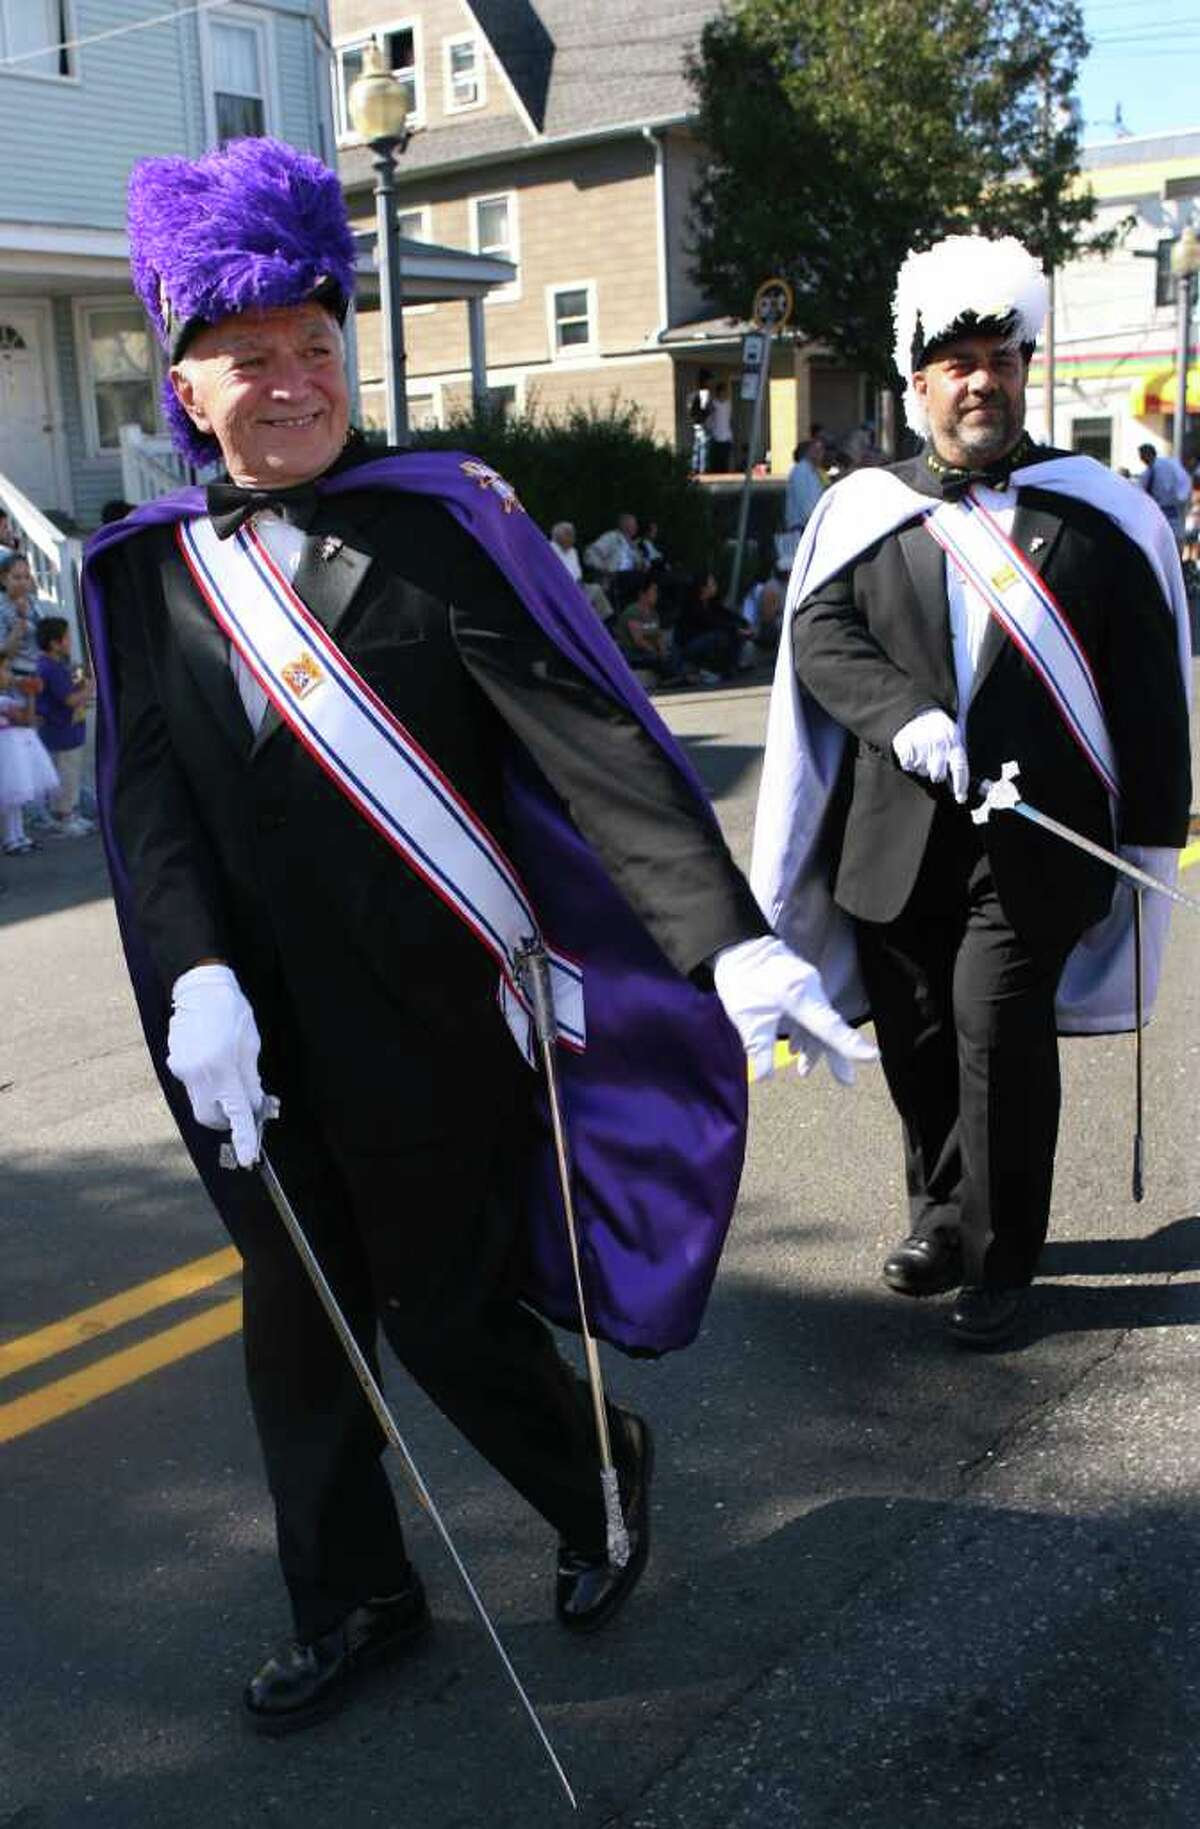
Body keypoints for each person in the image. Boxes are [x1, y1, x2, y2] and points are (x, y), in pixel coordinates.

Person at [84, 138, 872, 1738]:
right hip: (251, 1041)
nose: (294, 382)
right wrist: (195, 979)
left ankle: (598, 1473)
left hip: (434, 1018)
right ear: (187, 384)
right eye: (252, 357)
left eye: (316, 346)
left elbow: (592, 747)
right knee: (297, 1326)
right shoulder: (148, 574)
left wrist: (727, 943)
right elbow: (150, 811)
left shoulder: (441, 526)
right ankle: (356, 1597)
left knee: (443, 1316)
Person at [753, 234, 1192, 1350]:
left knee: (996, 1031)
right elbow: (820, 633)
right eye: (958, 365)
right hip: (895, 834)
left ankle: (1000, 1262)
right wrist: (902, 713)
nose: (981, 381)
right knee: (919, 1039)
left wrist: (1152, 837)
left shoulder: (1097, 515)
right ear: (920, 385)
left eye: (1000, 359)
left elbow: (1150, 689)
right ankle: (943, 1217)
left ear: (1024, 369)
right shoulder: (864, 509)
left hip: (1038, 842)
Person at [35, 616, 95, 837]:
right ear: (54, 643)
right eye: (67, 637)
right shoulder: (50, 668)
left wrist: (81, 681)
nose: (70, 641)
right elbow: (70, 700)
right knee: (66, 775)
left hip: (66, 730)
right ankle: (65, 817)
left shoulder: (54, 665)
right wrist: (90, 687)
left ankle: (70, 813)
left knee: (69, 774)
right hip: (61, 732)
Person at [0, 650, 57, 854]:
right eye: (5, 669)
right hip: (7, 751)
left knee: (17, 796)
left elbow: (29, 719)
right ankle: (10, 838)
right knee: (9, 796)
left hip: (16, 748)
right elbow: (23, 719)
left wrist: (30, 694)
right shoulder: (2, 701)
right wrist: (30, 693)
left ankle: (20, 835)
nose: (9, 674)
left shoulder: (7, 698)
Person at [1137, 442, 1191, 547]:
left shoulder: (1167, 465)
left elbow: (1181, 481)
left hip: (1170, 507)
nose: (1141, 458)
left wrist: (1179, 498)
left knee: (1172, 537)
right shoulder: (1147, 473)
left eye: (1142, 455)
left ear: (1149, 454)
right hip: (1157, 510)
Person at [0, 553, 42, 681]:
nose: (23, 582)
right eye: (17, 578)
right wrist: (21, 617)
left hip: (39, 672)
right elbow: (6, 653)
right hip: (18, 677)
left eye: (27, 577)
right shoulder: (2, 607)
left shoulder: (32, 601)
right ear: (3, 579)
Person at [784, 436, 826, 534]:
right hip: (802, 530)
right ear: (808, 452)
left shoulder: (814, 472)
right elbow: (806, 504)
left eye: (822, 450)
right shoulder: (800, 471)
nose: (821, 454)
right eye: (817, 450)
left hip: (813, 527)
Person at [688, 369, 713, 474]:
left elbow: (691, 409)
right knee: (703, 447)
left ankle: (694, 467)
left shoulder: (693, 393)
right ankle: (702, 469)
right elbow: (704, 408)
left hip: (695, 423)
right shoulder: (704, 393)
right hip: (702, 423)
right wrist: (709, 411)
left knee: (696, 446)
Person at [707, 381, 734, 473]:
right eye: (721, 392)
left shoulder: (728, 404)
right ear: (718, 393)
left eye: (724, 392)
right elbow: (710, 417)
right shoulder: (714, 403)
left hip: (727, 436)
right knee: (717, 461)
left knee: (725, 460)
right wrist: (710, 429)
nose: (723, 394)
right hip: (716, 436)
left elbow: (729, 419)